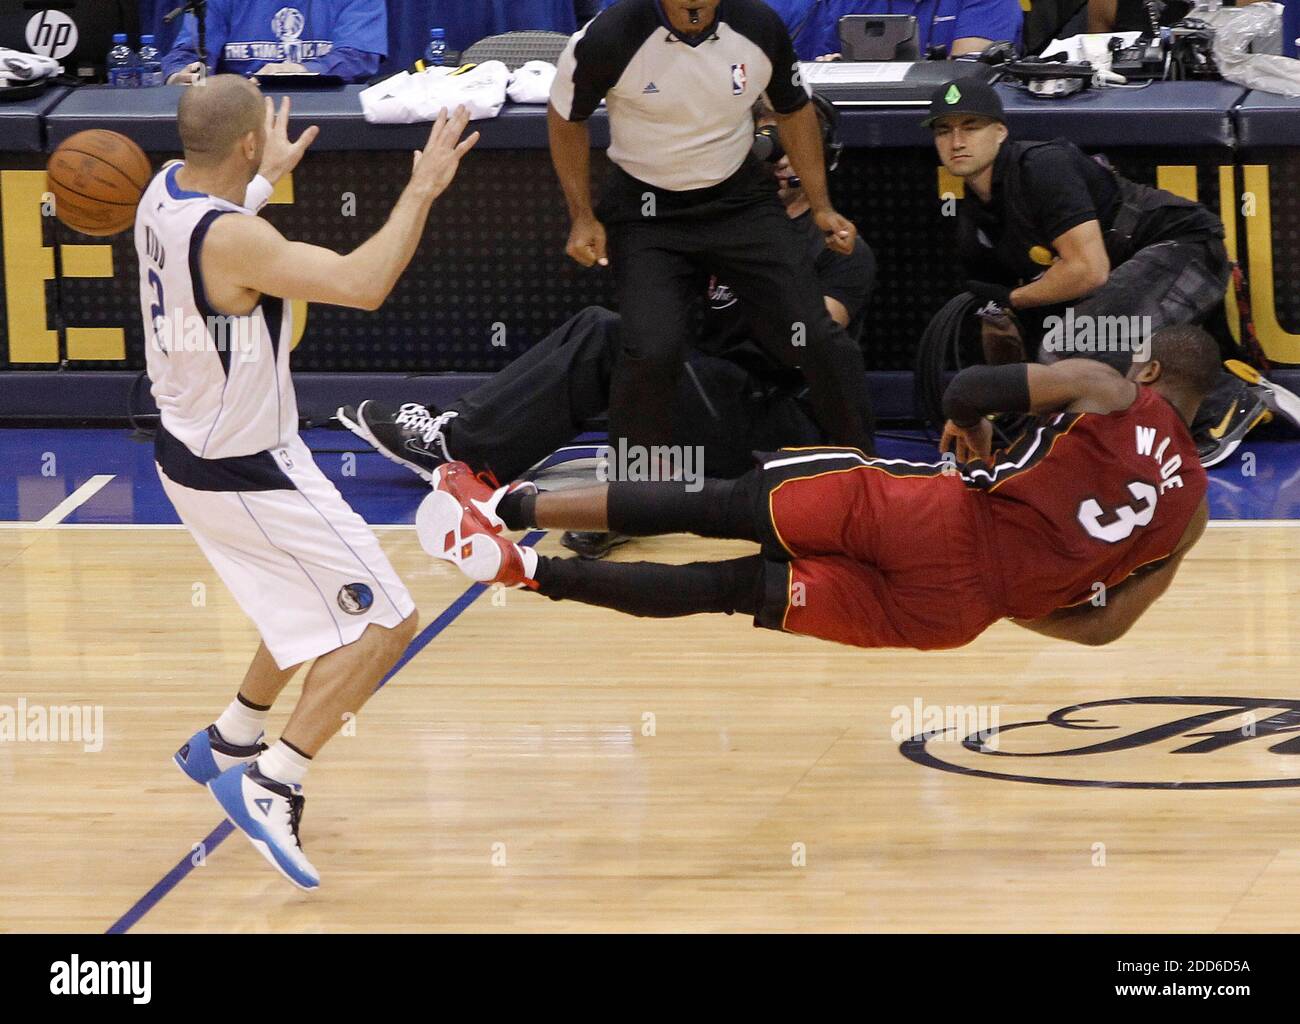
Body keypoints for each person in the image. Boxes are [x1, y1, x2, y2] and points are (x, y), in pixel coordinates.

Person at [139, 75, 478, 888]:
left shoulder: (158, 191)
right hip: (247, 470)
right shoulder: (232, 239)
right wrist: (421, 188)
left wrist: (258, 182)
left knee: (308, 601)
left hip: (191, 451)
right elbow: (363, 284)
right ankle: (273, 780)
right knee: (387, 622)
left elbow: (222, 229)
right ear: (250, 141)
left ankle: (231, 736)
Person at [417, 326, 1220, 651]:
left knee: (713, 501)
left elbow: (968, 385)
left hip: (930, 518)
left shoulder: (1108, 389)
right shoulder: (1193, 516)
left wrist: (972, 429)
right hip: (956, 615)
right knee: (724, 591)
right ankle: (528, 573)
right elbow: (1104, 627)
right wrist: (1008, 595)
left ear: (1148, 369)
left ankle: (499, 505)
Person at [337, 94, 876, 558]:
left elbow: (802, 345)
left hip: (778, 432)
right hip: (710, 407)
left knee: (608, 335)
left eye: (772, 142)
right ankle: (606, 488)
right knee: (616, 331)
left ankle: (465, 447)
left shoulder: (841, 250)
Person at [548, 0, 876, 475]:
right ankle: (630, 495)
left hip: (738, 199)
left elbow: (794, 110)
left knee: (814, 337)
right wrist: (582, 216)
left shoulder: (758, 26)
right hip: (647, 210)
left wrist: (822, 206)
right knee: (651, 349)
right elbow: (564, 118)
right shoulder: (609, 35)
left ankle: (867, 474)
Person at [925, 77, 1300, 466]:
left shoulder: (1041, 166)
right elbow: (1004, 327)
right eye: (944, 130)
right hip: (1131, 275)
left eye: (971, 127)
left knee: (1076, 342)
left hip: (1185, 249)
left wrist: (1011, 297)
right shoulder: (975, 224)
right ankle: (1219, 379)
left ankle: (1228, 401)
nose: (956, 141)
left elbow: (1089, 272)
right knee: (1058, 350)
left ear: (1000, 131)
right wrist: (995, 403)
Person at [163, 0, 387, 85]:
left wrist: (300, 71)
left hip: (324, 117)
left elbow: (359, 57)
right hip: (236, 119)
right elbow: (190, 53)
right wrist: (179, 74)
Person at [757, 0, 1024, 60]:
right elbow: (823, 66)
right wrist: (834, 67)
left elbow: (969, 72)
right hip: (858, 133)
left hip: (950, 128)